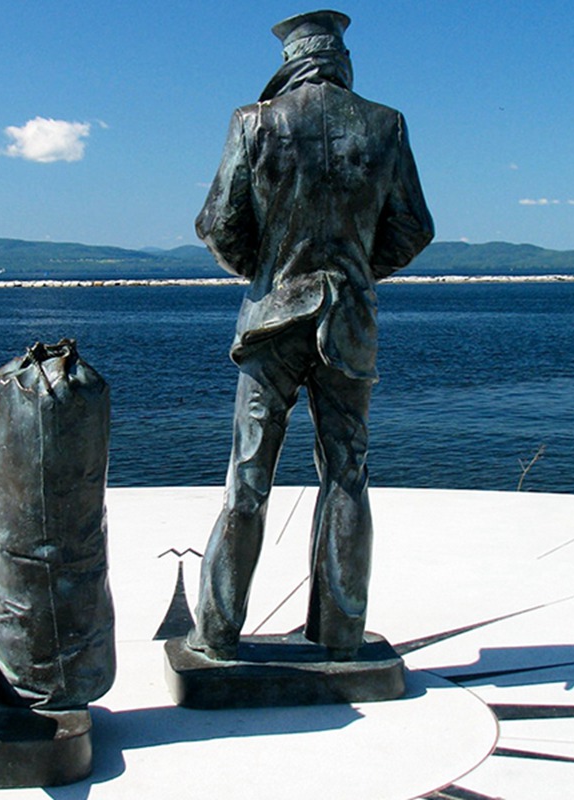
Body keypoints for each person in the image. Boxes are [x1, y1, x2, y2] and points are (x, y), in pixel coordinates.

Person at [187, 10, 434, 660]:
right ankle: (341, 634)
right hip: (348, 320)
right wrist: (352, 269)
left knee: (247, 480)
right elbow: (413, 228)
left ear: (290, 61)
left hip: (272, 320)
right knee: (348, 474)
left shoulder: (255, 122)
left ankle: (215, 635)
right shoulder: (386, 125)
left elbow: (217, 225)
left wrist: (270, 270)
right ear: (339, 58)